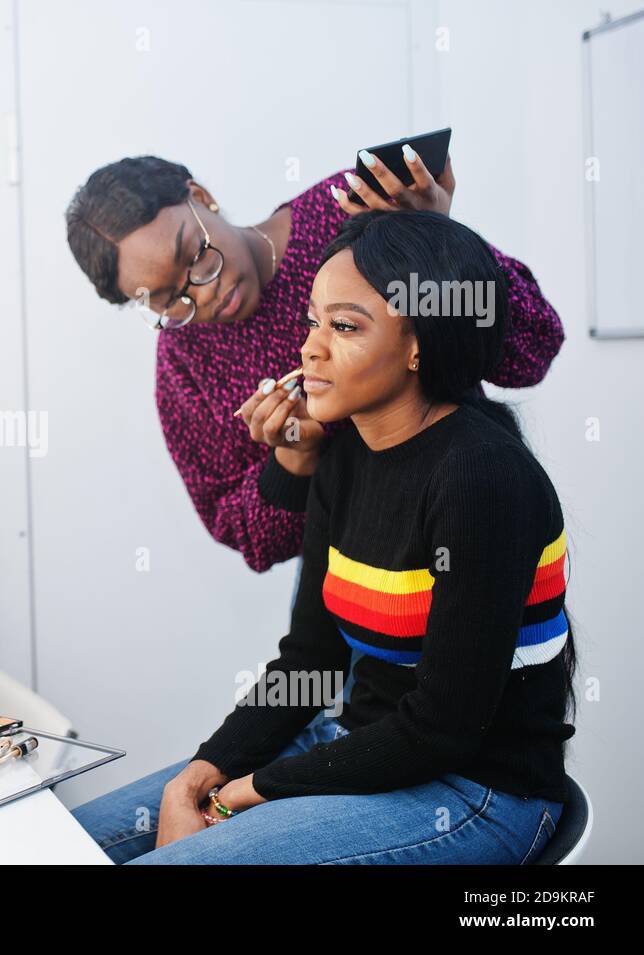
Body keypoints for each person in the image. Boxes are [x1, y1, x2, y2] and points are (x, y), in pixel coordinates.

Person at [70, 210, 577, 864]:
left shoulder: (481, 477)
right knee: (61, 845)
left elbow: (441, 730)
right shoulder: (344, 457)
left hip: (474, 789)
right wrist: (202, 771)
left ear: (420, 341)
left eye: (344, 326)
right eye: (313, 321)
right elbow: (310, 661)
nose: (310, 348)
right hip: (357, 745)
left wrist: (237, 795)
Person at [65, 151, 565, 572]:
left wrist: (437, 239)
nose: (206, 290)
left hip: (471, 529)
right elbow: (251, 539)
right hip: (351, 586)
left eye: (195, 255)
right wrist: (294, 457)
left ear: (201, 198)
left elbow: (534, 346)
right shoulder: (185, 365)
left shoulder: (350, 214)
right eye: (171, 299)